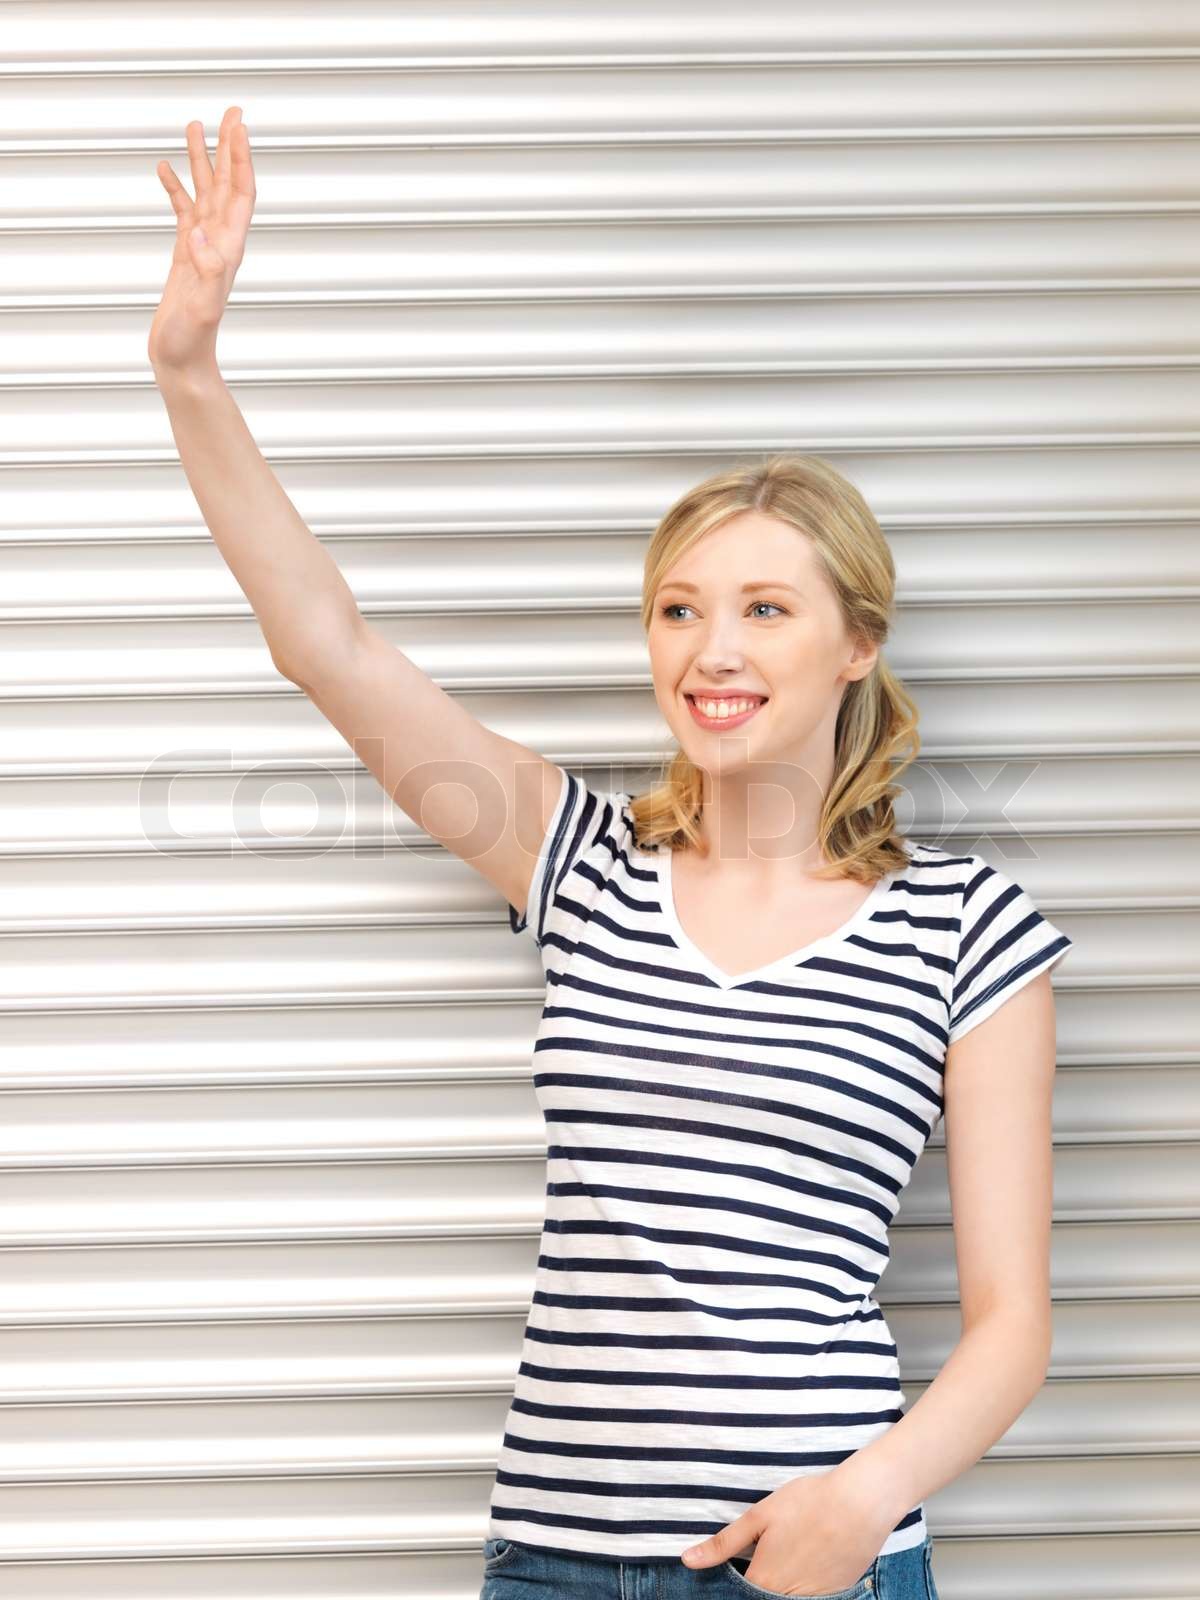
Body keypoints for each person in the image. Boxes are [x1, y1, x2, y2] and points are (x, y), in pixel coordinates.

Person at [150, 107, 1074, 1600]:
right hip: (552, 1563)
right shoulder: (577, 862)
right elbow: (325, 643)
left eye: (768, 609)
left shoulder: (969, 929)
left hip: (814, 1564)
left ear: (858, 646)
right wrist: (188, 371)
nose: (713, 649)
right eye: (679, 608)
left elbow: (1012, 1320)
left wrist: (868, 1499)